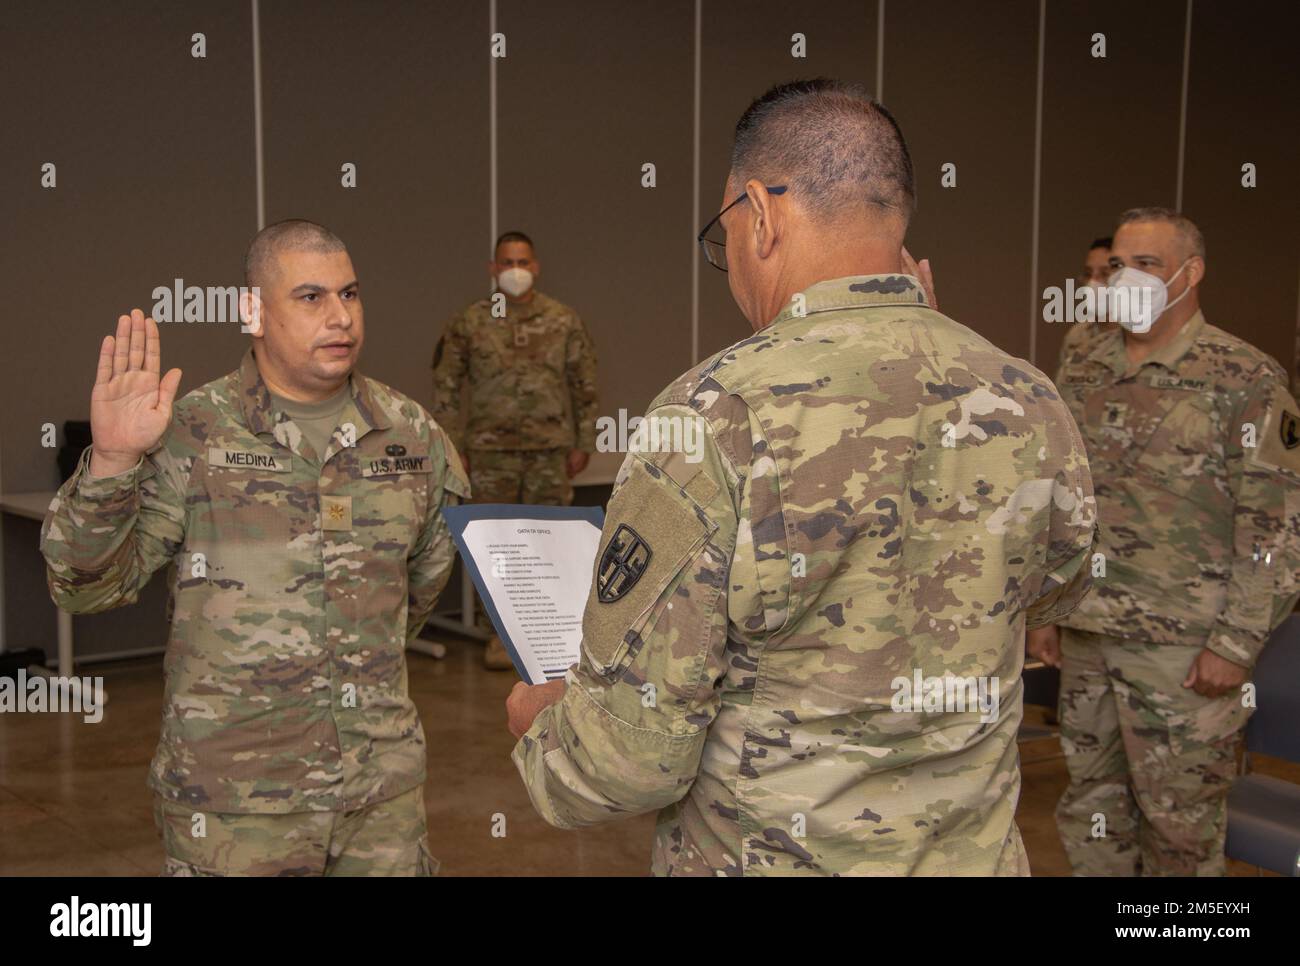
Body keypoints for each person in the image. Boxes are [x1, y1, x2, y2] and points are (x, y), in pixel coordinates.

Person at [505, 78, 1097, 876]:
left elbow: (627, 760)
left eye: (723, 235)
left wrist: (542, 728)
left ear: (762, 212)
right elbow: (1056, 591)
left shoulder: (713, 414)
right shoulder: (1026, 394)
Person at [41, 219, 469, 876]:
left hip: (378, 797)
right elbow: (84, 585)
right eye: (310, 297)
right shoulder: (193, 432)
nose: (340, 318)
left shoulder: (411, 436)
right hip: (235, 806)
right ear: (253, 312)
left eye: (350, 294)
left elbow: (420, 585)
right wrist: (114, 460)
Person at [1037, 206, 1300, 875]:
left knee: (1178, 824)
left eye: (1147, 264)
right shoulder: (1085, 361)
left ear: (1191, 273)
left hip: (1185, 650)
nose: (1128, 277)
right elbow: (1061, 492)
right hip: (1089, 633)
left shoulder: (1245, 376)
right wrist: (1047, 609)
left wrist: (1236, 644)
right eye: (1120, 263)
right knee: (1092, 810)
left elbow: (1276, 523)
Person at [431, 231, 599, 669]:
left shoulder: (563, 320)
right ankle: (500, 638)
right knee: (497, 551)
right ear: (493, 269)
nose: (515, 269)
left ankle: (556, 634)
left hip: (549, 452)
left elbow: (585, 386)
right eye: (506, 262)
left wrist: (584, 442)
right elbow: (446, 390)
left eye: (522, 261)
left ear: (536, 266)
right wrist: (452, 448)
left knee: (555, 547)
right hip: (489, 454)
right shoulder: (469, 322)